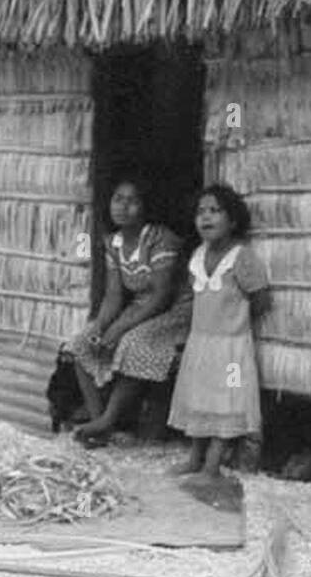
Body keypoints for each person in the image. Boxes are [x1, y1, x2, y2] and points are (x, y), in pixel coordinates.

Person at [68, 179, 194, 448]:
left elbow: (161, 297)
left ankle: (108, 421)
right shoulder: (112, 243)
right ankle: (97, 419)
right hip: (141, 307)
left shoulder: (160, 239)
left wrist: (120, 329)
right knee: (82, 343)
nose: (123, 207)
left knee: (131, 343)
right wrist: (101, 326)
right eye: (118, 199)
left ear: (145, 207)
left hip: (178, 310)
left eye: (132, 201)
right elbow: (113, 296)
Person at [168, 184, 272, 477]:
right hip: (201, 345)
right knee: (201, 399)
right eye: (201, 212)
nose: (206, 217)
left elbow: (261, 300)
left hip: (231, 349)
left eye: (215, 211)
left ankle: (212, 467)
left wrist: (233, 320)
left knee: (226, 403)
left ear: (234, 220)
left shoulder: (242, 258)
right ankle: (194, 458)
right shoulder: (198, 256)